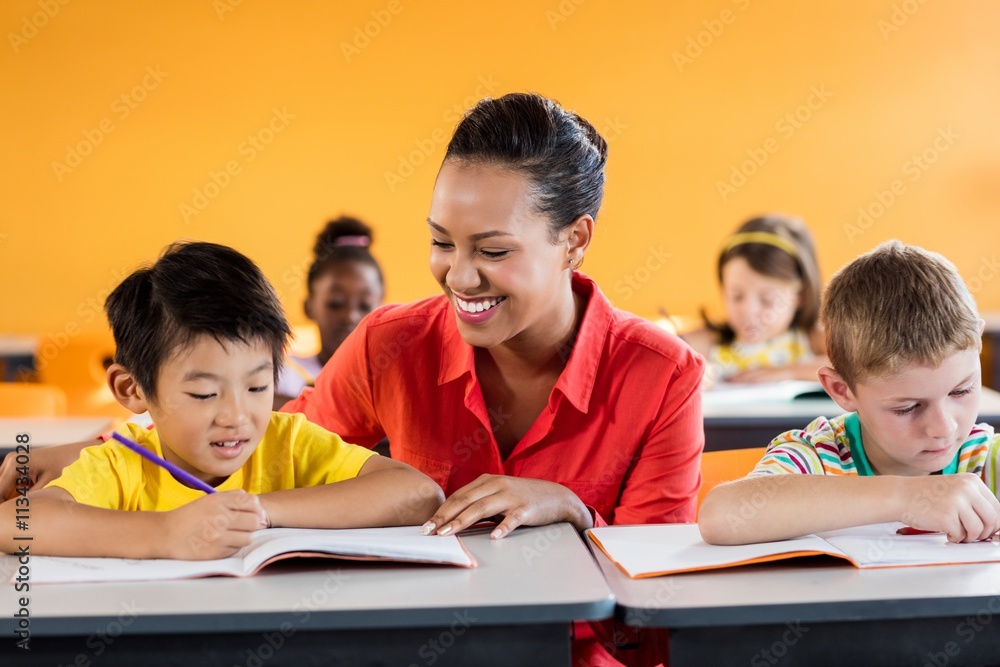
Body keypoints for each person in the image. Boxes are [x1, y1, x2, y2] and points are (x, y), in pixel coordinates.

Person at [1, 94, 702, 665]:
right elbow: (262, 441)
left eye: (492, 250)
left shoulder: (663, 375)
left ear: (574, 240)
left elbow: (654, 624)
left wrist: (574, 508)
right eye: (440, 241)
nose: (459, 275)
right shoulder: (391, 343)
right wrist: (90, 453)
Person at [0, 242, 441, 558]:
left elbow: (419, 493)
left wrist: (258, 511)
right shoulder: (122, 465)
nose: (237, 417)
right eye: (205, 393)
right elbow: (14, 522)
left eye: (257, 387)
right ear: (132, 390)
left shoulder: (289, 442)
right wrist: (166, 534)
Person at [698, 241, 1000, 546]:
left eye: (962, 390)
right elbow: (721, 517)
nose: (944, 428)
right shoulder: (822, 455)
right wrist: (906, 498)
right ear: (841, 390)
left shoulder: (987, 459)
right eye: (907, 408)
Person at [684, 215, 826, 387]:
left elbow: (859, 367)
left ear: (801, 296)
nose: (748, 311)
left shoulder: (812, 339)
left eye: (767, 300)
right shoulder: (709, 342)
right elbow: (665, 360)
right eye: (736, 296)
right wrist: (695, 374)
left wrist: (787, 372)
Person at [274, 216, 385, 409]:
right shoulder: (283, 373)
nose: (350, 315)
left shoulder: (390, 376)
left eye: (365, 305)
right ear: (309, 307)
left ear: (382, 312)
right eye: (336, 303)